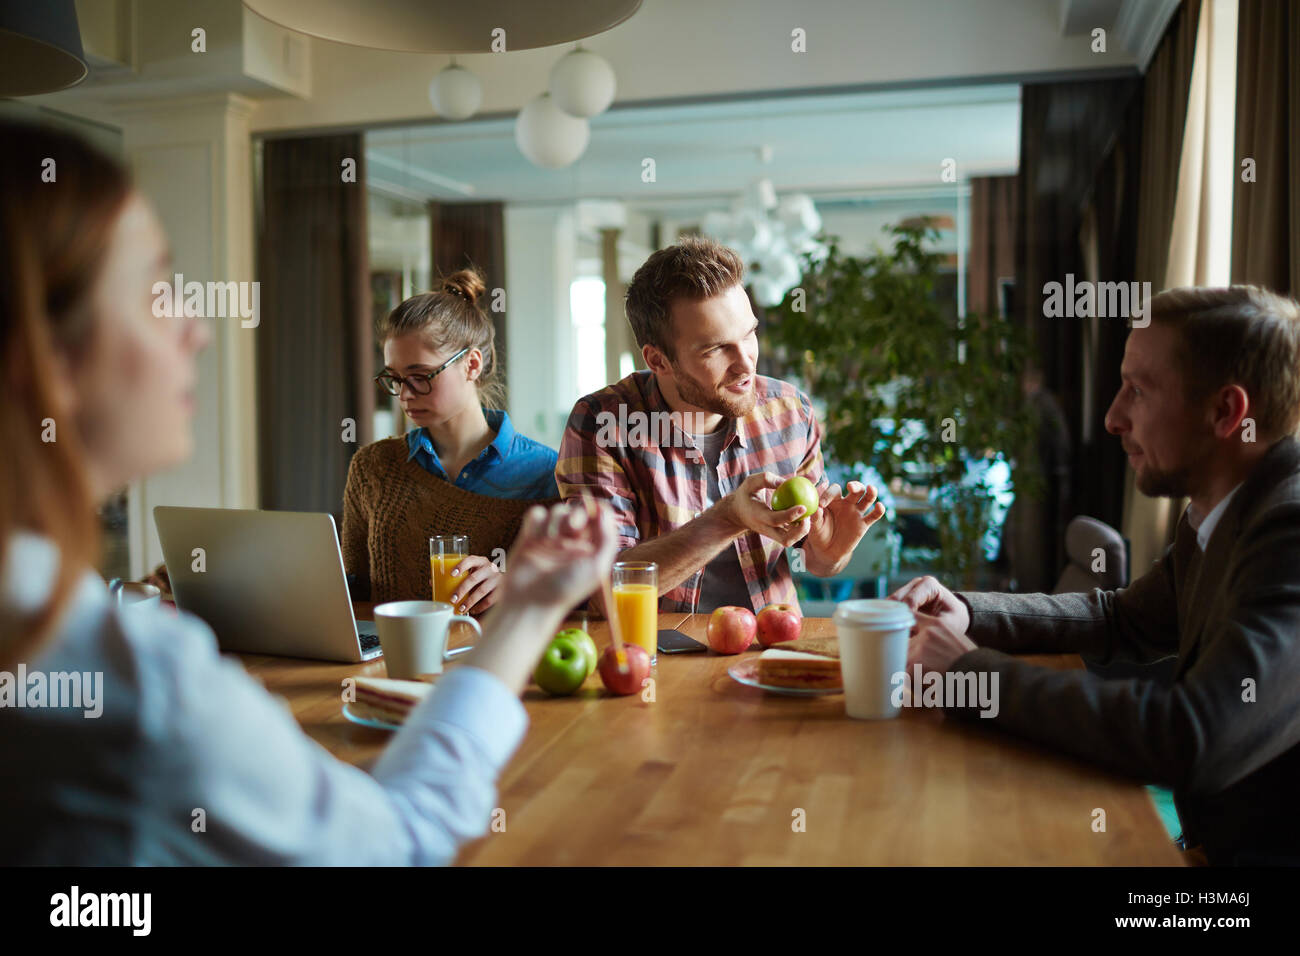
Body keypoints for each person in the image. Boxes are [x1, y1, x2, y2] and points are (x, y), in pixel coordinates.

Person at [0, 120, 618, 865]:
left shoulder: (76, 640)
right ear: (39, 355)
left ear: (474, 364)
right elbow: (396, 841)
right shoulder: (138, 677)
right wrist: (529, 606)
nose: (197, 330)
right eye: (157, 293)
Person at [891, 286, 1300, 866]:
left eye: (1138, 390)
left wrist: (971, 672)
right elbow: (1124, 617)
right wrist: (971, 612)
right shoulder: (1224, 507)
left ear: (1225, 412)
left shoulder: (1289, 529)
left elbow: (1190, 735)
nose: (1112, 418)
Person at [557, 236, 885, 615]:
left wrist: (830, 550)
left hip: (772, 647)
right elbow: (603, 593)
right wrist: (728, 518)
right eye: (716, 349)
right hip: (661, 659)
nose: (746, 363)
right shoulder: (603, 423)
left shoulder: (790, 411)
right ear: (658, 360)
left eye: (749, 335)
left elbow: (818, 562)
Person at [342, 270, 559, 612]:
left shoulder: (547, 474)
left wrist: (513, 583)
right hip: (390, 662)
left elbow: (571, 596)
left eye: (420, 376)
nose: (405, 394)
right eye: (395, 379)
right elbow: (353, 595)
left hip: (494, 660)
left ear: (471, 364)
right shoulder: (373, 467)